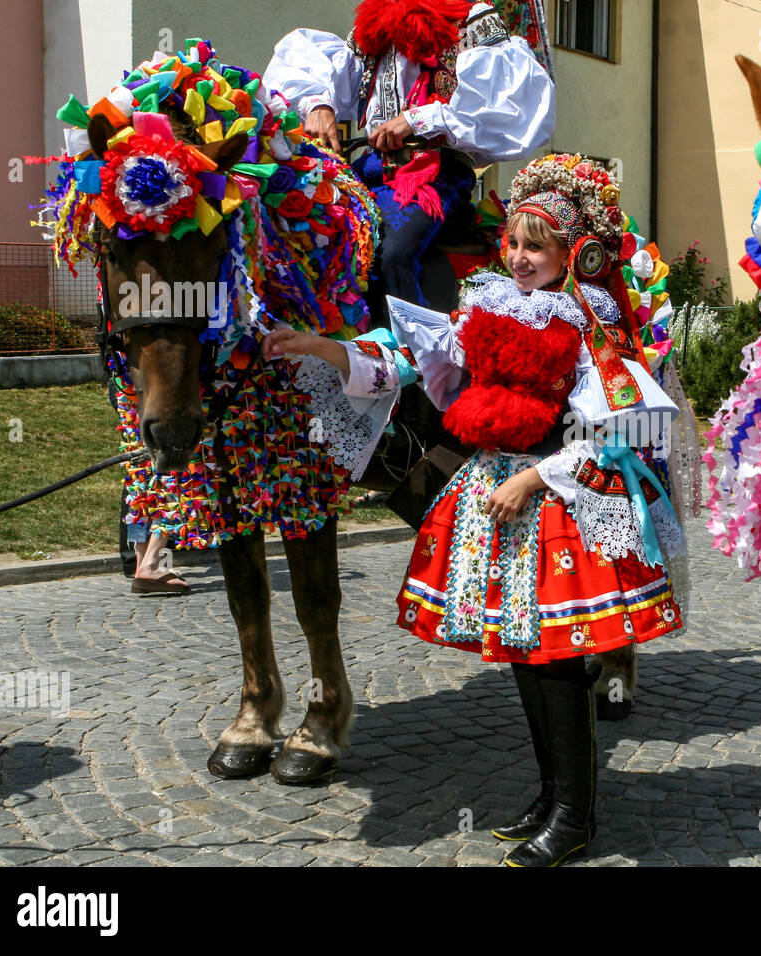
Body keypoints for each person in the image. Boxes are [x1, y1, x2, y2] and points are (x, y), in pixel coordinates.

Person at [265, 154, 687, 866]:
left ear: (571, 254)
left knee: (559, 660)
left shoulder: (590, 324)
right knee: (524, 654)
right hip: (500, 495)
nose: (519, 258)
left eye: (536, 246)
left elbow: (620, 428)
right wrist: (323, 348)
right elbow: (404, 358)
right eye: (514, 244)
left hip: (560, 497)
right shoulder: (488, 304)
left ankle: (576, 816)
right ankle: (553, 794)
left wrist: (537, 480)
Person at [264, 1, 556, 309]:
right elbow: (324, 68)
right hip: (370, 170)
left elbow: (505, 107)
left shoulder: (470, 15)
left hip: (436, 174)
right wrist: (318, 104)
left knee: (389, 253)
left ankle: (407, 350)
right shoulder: (377, 22)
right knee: (307, 233)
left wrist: (420, 120)